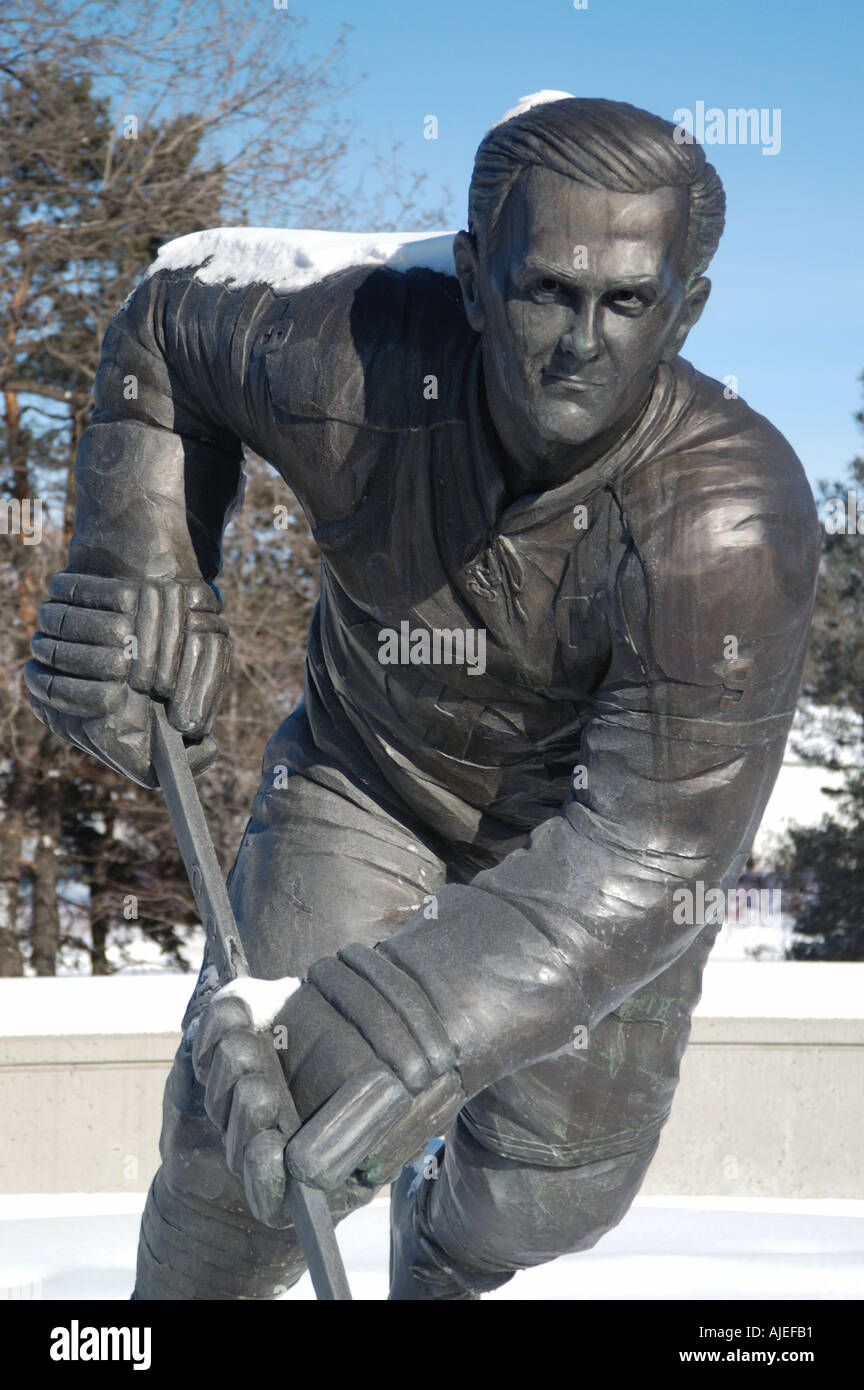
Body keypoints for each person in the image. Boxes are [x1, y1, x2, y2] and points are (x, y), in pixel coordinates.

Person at [26, 95, 820, 1300]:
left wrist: (416, 1023)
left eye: (626, 302)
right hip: (369, 779)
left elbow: (652, 849)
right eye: (546, 289)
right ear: (471, 277)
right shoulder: (347, 353)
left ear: (686, 310)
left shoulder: (728, 524)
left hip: (592, 852)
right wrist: (134, 558)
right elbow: (166, 317)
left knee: (545, 1197)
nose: (580, 340)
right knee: (240, 1144)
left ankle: (435, 1259)